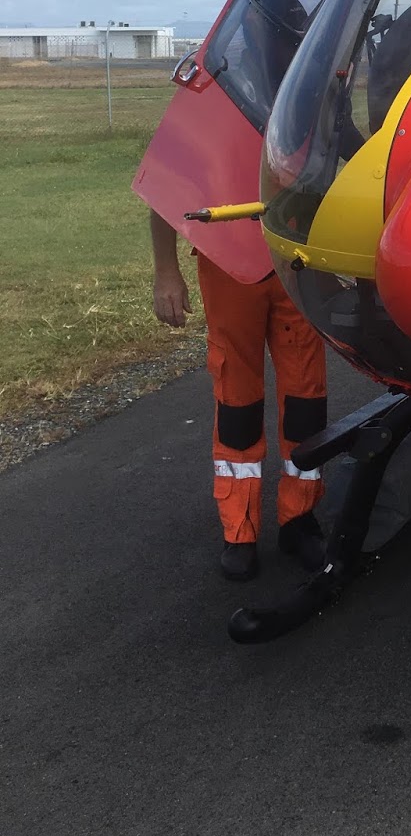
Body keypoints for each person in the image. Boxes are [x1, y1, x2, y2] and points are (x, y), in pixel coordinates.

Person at [151, 210, 328, 582]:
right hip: (227, 259)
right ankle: (239, 530)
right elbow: (164, 178)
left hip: (295, 257)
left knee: (306, 402)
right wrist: (166, 269)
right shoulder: (200, 144)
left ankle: (299, 517)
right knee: (238, 403)